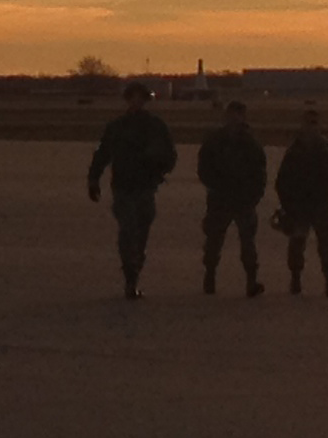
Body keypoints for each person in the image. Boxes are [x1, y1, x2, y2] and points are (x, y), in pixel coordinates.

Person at [84, 79, 178, 298]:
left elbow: (170, 155)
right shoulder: (117, 127)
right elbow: (102, 154)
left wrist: (159, 169)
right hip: (124, 188)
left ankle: (134, 276)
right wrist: (93, 180)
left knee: (141, 234)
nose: (137, 102)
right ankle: (130, 278)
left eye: (141, 98)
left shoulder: (156, 126)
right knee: (128, 232)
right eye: (133, 98)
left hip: (145, 188)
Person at [273, 104, 328, 297]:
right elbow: (282, 180)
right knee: (298, 241)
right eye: (309, 123)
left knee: (325, 241)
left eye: (315, 123)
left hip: (320, 203)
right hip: (299, 205)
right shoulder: (294, 152)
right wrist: (288, 204)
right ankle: (296, 279)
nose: (312, 127)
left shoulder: (327, 149)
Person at [195, 99, 269, 296]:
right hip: (220, 199)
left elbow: (260, 173)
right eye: (231, 114)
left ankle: (251, 281)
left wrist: (253, 196)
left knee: (248, 243)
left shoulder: (251, 144)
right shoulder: (214, 141)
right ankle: (210, 277)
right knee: (213, 241)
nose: (234, 119)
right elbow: (204, 168)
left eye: (238, 115)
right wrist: (215, 186)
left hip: (243, 200)